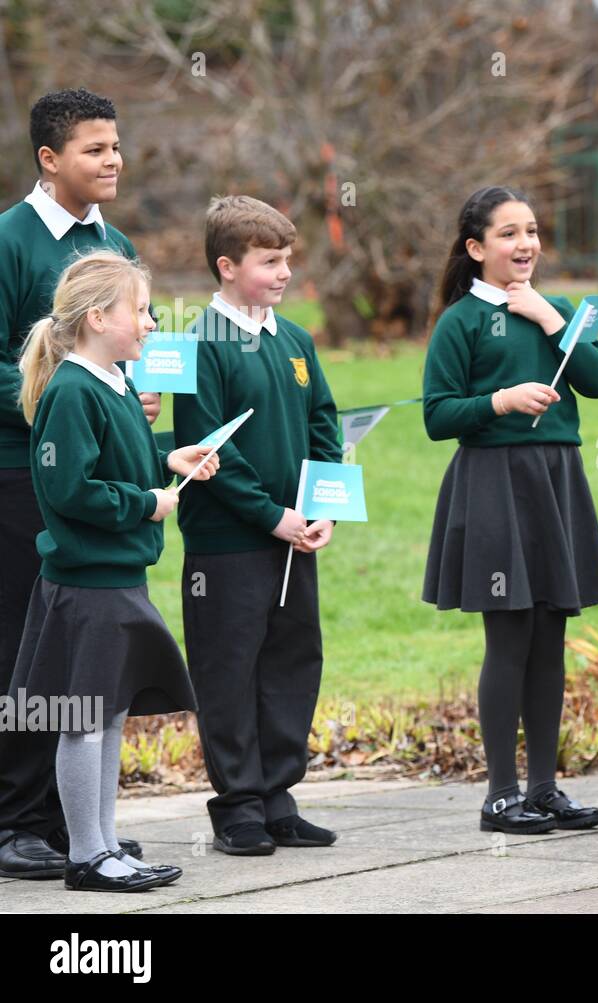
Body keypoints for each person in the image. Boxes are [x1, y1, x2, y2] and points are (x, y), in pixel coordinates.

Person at [11, 251, 216, 891]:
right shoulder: (72, 389)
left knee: (110, 716)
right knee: (84, 720)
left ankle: (104, 848)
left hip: (121, 579)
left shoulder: (116, 382)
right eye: (142, 310)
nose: (152, 322)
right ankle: (85, 857)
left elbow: (116, 462)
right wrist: (148, 502)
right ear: (100, 318)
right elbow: (71, 490)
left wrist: (164, 458)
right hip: (87, 588)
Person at [423, 186, 598, 835]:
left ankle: (545, 787)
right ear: (476, 248)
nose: (525, 243)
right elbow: (437, 414)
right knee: (510, 637)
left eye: (531, 230)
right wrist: (499, 401)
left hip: (557, 482)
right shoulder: (461, 322)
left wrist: (551, 319)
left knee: (551, 636)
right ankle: (501, 793)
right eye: (508, 233)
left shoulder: (558, 308)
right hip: (495, 484)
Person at [0, 88, 154, 881]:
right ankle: (17, 819)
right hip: (22, 477)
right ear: (49, 159)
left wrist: (128, 389)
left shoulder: (114, 243)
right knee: (29, 652)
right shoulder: (8, 242)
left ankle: (79, 829)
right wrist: (64, 394)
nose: (114, 160)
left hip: (99, 471)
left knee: (90, 663)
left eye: (117, 146)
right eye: (96, 149)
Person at [172, 196, 344, 856]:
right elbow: (212, 447)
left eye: (286, 260)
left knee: (292, 662)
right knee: (230, 670)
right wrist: (274, 517)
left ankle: (278, 796)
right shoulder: (201, 346)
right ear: (226, 266)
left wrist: (322, 506)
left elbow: (325, 422)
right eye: (268, 261)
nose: (283, 273)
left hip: (297, 539)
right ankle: (237, 804)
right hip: (230, 545)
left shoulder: (297, 341)